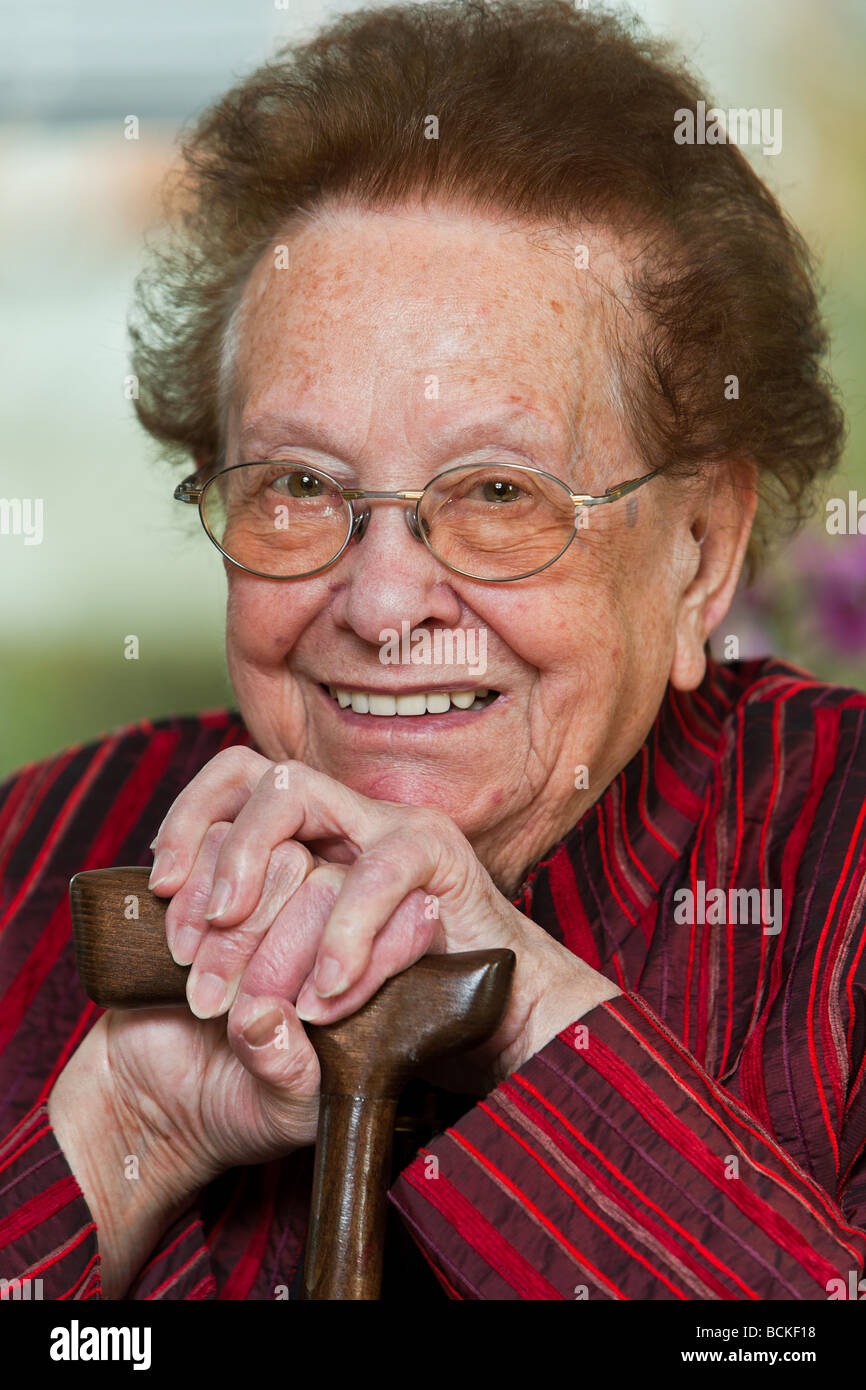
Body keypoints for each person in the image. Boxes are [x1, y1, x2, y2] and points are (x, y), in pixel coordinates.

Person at [1, 0, 864, 1301]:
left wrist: (527, 1012)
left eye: (499, 494)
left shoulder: (836, 864)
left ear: (697, 553)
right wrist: (127, 1133)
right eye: (297, 482)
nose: (383, 599)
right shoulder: (36, 850)